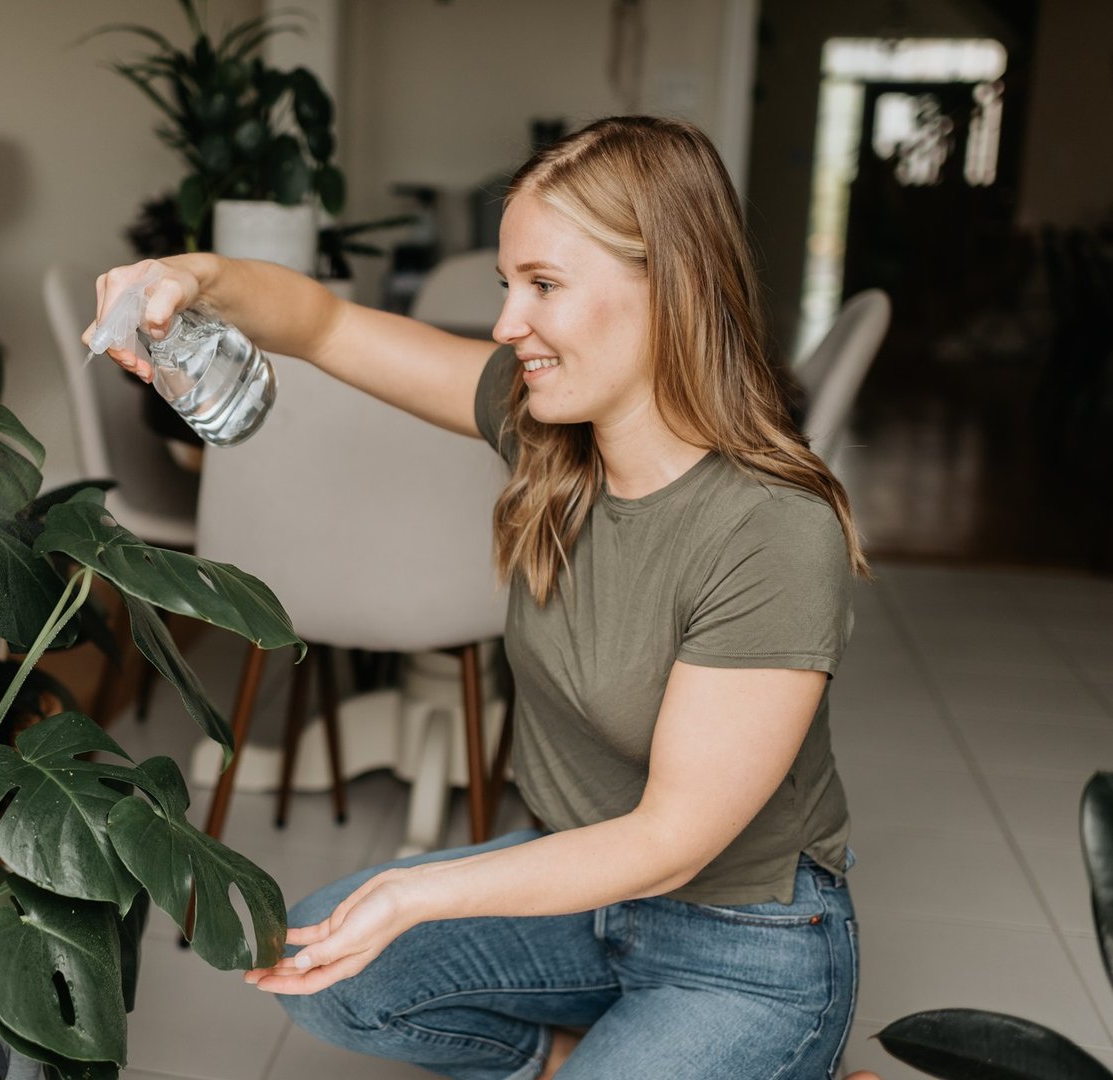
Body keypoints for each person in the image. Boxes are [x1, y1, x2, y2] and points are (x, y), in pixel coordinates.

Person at [87, 115, 871, 1079]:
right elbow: (324, 325)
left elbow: (673, 842)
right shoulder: (547, 428)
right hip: (583, 906)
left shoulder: (773, 529)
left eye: (543, 286)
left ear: (672, 285)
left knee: (382, 922)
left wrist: (421, 894)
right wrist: (190, 279)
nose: (507, 326)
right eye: (509, 287)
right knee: (322, 959)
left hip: (744, 945)